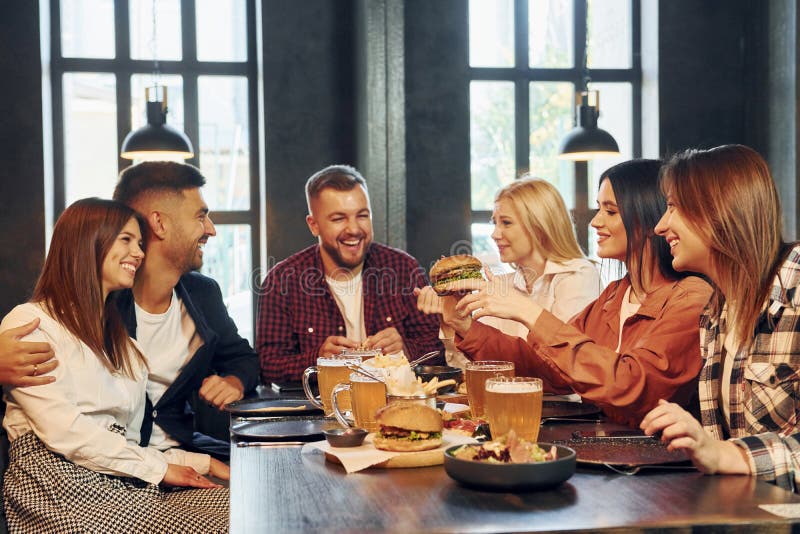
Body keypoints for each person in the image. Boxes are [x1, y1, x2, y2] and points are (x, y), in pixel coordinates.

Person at [1, 198, 228, 532]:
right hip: (55, 485)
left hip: (117, 477)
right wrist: (160, 469)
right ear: (86, 242)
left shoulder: (126, 348)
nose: (138, 252)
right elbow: (65, 432)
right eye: (126, 240)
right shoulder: (32, 323)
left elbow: (129, 444)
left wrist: (201, 462)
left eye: (139, 243)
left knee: (239, 507)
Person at [436, 160, 713, 426]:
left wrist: (529, 312)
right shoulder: (615, 295)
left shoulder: (691, 297)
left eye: (610, 211)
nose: (594, 222)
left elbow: (633, 385)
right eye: (598, 209)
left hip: (663, 466)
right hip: (606, 454)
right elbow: (549, 370)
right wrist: (466, 326)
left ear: (649, 218)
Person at [640, 145, 800, 491]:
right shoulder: (716, 311)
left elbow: (722, 454)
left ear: (718, 208)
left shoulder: (796, 286)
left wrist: (726, 455)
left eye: (673, 207)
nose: (659, 226)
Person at [113, 161, 259, 459]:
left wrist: (233, 381)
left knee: (276, 474)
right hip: (121, 464)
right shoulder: (101, 299)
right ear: (160, 223)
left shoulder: (202, 293)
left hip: (185, 447)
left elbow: (244, 359)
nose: (211, 230)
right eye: (201, 216)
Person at [257, 164, 444, 383]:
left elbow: (438, 353)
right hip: (318, 409)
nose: (354, 229)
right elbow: (268, 365)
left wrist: (405, 349)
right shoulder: (281, 280)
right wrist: (318, 359)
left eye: (362, 215)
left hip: (394, 405)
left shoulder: (403, 268)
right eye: (339, 219)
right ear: (314, 225)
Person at [416, 177, 601, 368]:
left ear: (539, 226)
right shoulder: (500, 284)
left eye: (506, 223)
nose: (495, 234)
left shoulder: (578, 274)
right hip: (504, 395)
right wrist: (452, 321)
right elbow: (471, 369)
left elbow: (566, 363)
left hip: (561, 399)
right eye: (494, 223)